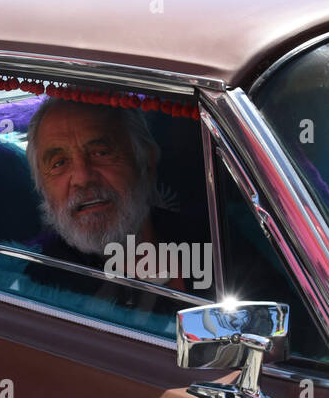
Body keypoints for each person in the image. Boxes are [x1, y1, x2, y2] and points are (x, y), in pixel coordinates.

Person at [24, 98, 207, 290]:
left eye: (100, 153)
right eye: (59, 163)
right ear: (42, 188)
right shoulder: (36, 288)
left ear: (146, 161)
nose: (82, 178)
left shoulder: (217, 248)